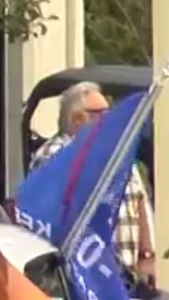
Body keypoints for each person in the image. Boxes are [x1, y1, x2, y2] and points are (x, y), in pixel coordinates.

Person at [30, 80, 157, 285]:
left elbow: (140, 204)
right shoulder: (54, 157)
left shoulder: (119, 154)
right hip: (82, 278)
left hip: (127, 277)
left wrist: (147, 256)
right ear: (78, 118)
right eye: (101, 113)